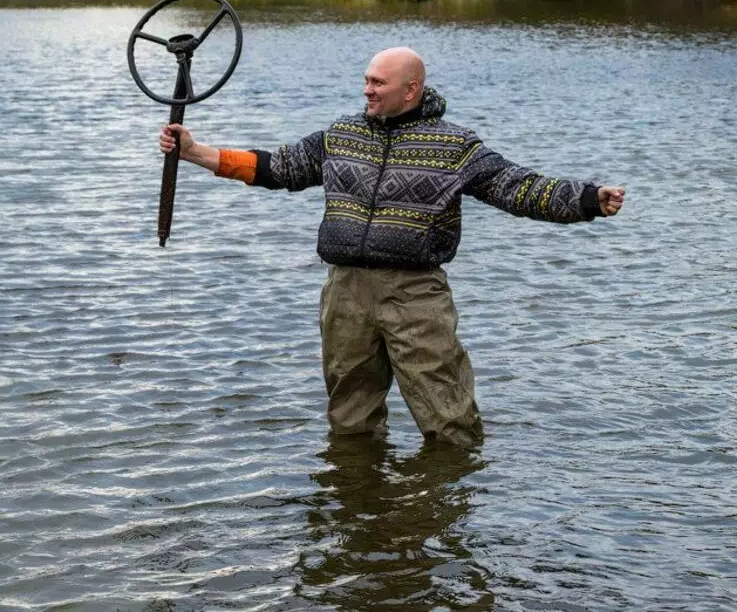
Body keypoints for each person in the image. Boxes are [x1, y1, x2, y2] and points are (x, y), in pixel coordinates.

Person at [159, 47, 625, 448]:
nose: (367, 90)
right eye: (365, 81)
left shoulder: (454, 146)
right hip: (345, 293)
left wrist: (586, 200)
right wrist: (198, 152)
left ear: (411, 89)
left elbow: (518, 187)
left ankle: (445, 519)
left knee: (448, 417)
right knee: (349, 419)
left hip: (415, 295)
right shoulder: (341, 135)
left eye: (378, 83)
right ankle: (359, 511)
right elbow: (277, 168)